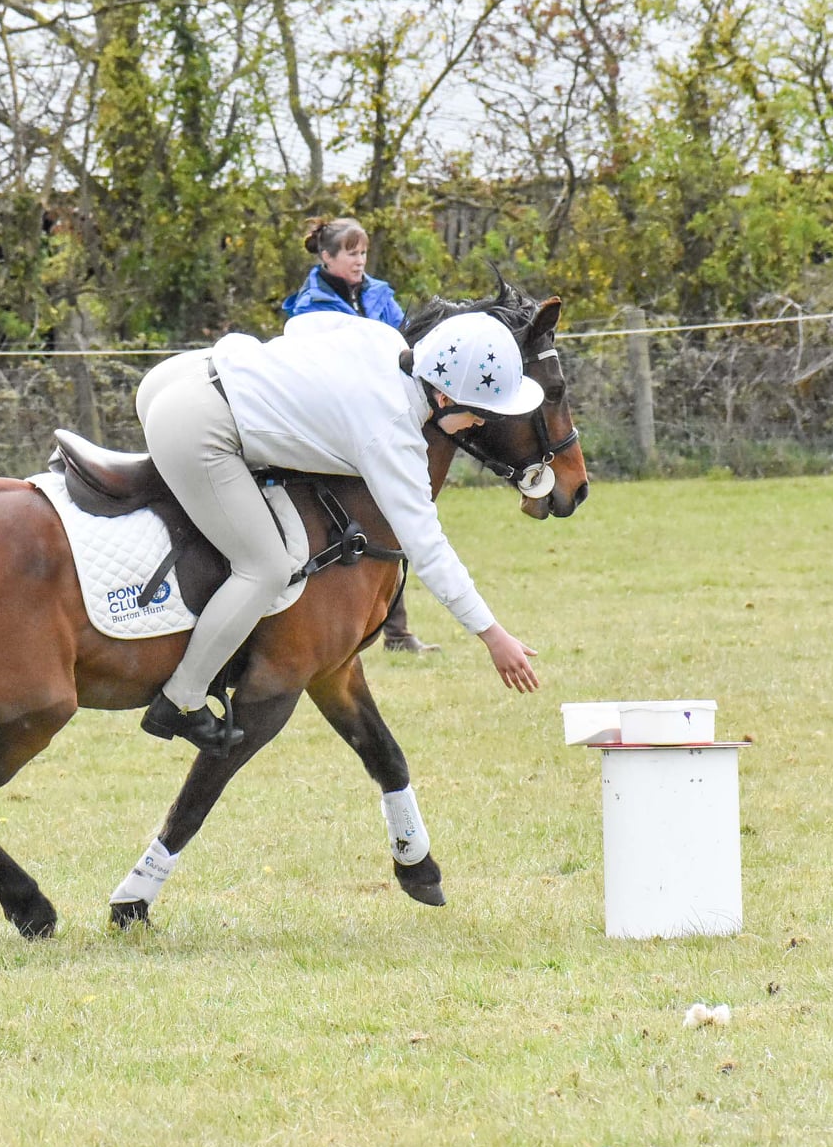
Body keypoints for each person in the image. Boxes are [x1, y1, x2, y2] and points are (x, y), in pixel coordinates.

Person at [137, 308, 542, 755]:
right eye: (479, 415)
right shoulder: (392, 434)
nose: (480, 424)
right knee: (267, 567)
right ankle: (180, 700)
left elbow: (303, 326)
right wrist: (492, 634)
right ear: (444, 399)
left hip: (182, 374)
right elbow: (427, 548)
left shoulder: (384, 340)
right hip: (195, 426)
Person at [281, 216, 432, 652]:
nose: (359, 261)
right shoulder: (309, 307)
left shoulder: (381, 295)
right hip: (339, 429)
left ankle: (397, 631)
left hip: (385, 417)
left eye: (363, 252)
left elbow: (408, 348)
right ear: (326, 257)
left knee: (393, 520)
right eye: (350, 252)